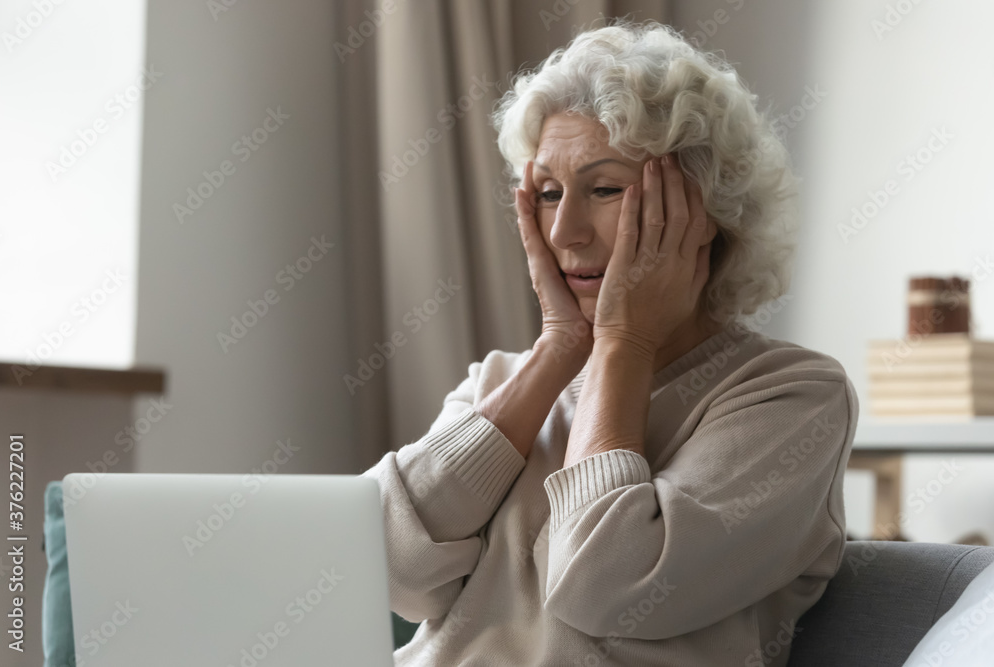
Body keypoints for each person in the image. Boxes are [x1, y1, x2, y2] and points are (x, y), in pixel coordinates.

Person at [363, 18, 859, 667]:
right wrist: (558, 349)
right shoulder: (500, 382)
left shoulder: (793, 399)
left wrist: (624, 339)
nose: (565, 231)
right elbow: (384, 570)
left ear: (701, 209)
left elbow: (605, 587)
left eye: (603, 188)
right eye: (547, 193)